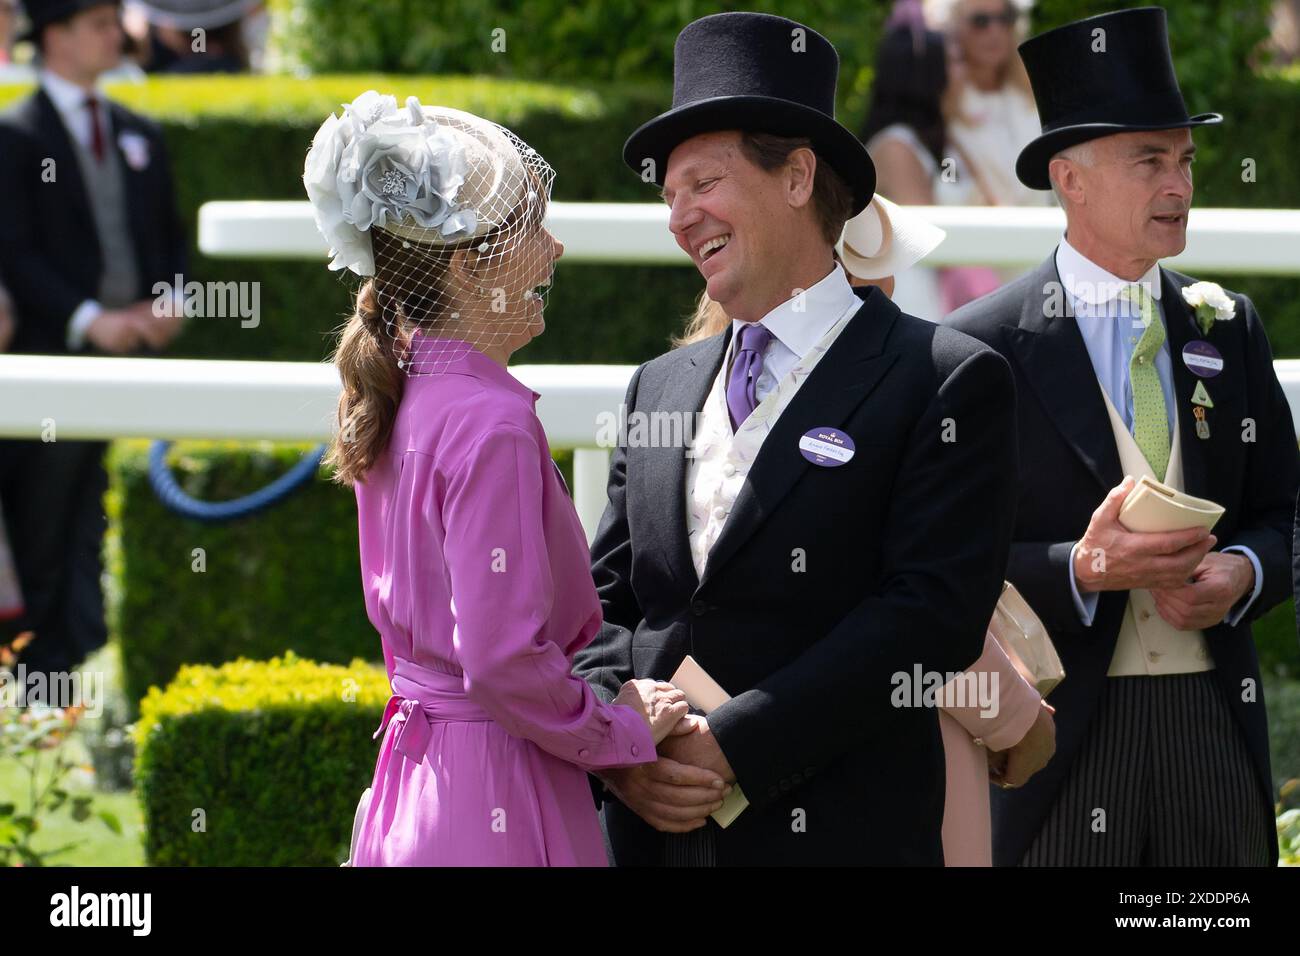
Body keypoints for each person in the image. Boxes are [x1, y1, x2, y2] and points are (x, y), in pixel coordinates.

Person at [572, 12, 1018, 866]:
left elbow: (928, 621)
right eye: (669, 196)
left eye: (703, 182)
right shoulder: (657, 386)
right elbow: (602, 607)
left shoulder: (945, 377)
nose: (680, 216)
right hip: (652, 840)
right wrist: (621, 745)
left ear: (798, 176)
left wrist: (736, 743)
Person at [946, 7, 1298, 866]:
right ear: (1070, 179)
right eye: (1150, 161)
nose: (1178, 185)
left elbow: (1289, 514)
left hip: (1212, 727)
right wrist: (1081, 568)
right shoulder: (977, 347)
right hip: (1059, 734)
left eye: (1184, 160)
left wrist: (1242, 572)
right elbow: (939, 561)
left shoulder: (1228, 327)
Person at [304, 92, 693, 866]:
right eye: (529, 231)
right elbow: (502, 660)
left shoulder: (402, 393)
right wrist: (618, 728)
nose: (552, 251)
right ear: (466, 264)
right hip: (496, 791)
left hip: (417, 782)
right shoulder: (492, 424)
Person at [681, 193, 1059, 867]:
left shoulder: (707, 386)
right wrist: (1019, 720)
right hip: (887, 746)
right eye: (883, 275)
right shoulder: (891, 386)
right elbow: (913, 612)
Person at [0, 0, 185, 697]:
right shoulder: (15, 136)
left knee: (125, 522)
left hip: (139, 366)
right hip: (52, 369)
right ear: (56, 35)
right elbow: (14, 252)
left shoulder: (139, 132)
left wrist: (172, 303)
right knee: (47, 528)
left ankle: (121, 685)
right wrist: (88, 320)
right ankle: (43, 691)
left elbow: (169, 241)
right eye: (100, 22)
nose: (118, 34)